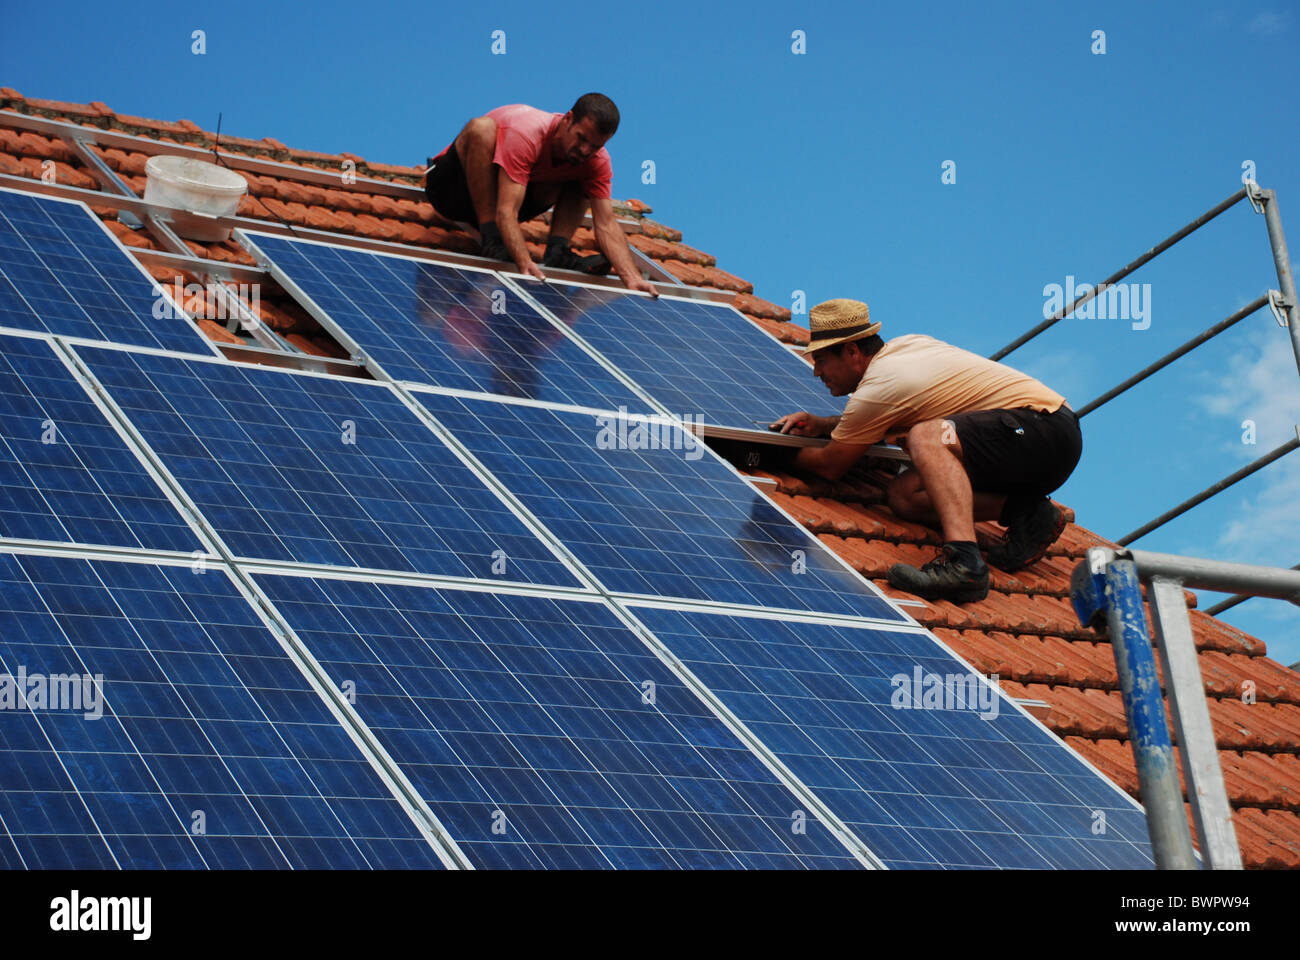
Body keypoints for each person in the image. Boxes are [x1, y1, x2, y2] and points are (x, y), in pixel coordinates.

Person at [771, 299, 1082, 603]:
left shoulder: (881, 385)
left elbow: (831, 465)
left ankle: (964, 565)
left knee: (927, 435)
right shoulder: (905, 349)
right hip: (1044, 441)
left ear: (852, 351)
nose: (816, 372)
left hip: (1041, 426)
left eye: (822, 360)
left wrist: (767, 452)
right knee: (904, 496)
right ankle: (1026, 512)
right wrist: (826, 425)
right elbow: (885, 414)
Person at [425, 93, 657, 296]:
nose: (586, 150)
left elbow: (606, 223)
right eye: (581, 138)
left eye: (595, 146)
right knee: (481, 128)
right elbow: (507, 211)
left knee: (584, 170)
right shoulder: (527, 133)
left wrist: (631, 278)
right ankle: (491, 238)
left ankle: (558, 251)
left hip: (506, 200)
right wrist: (524, 263)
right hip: (453, 191)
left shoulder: (596, 160)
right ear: (567, 119)